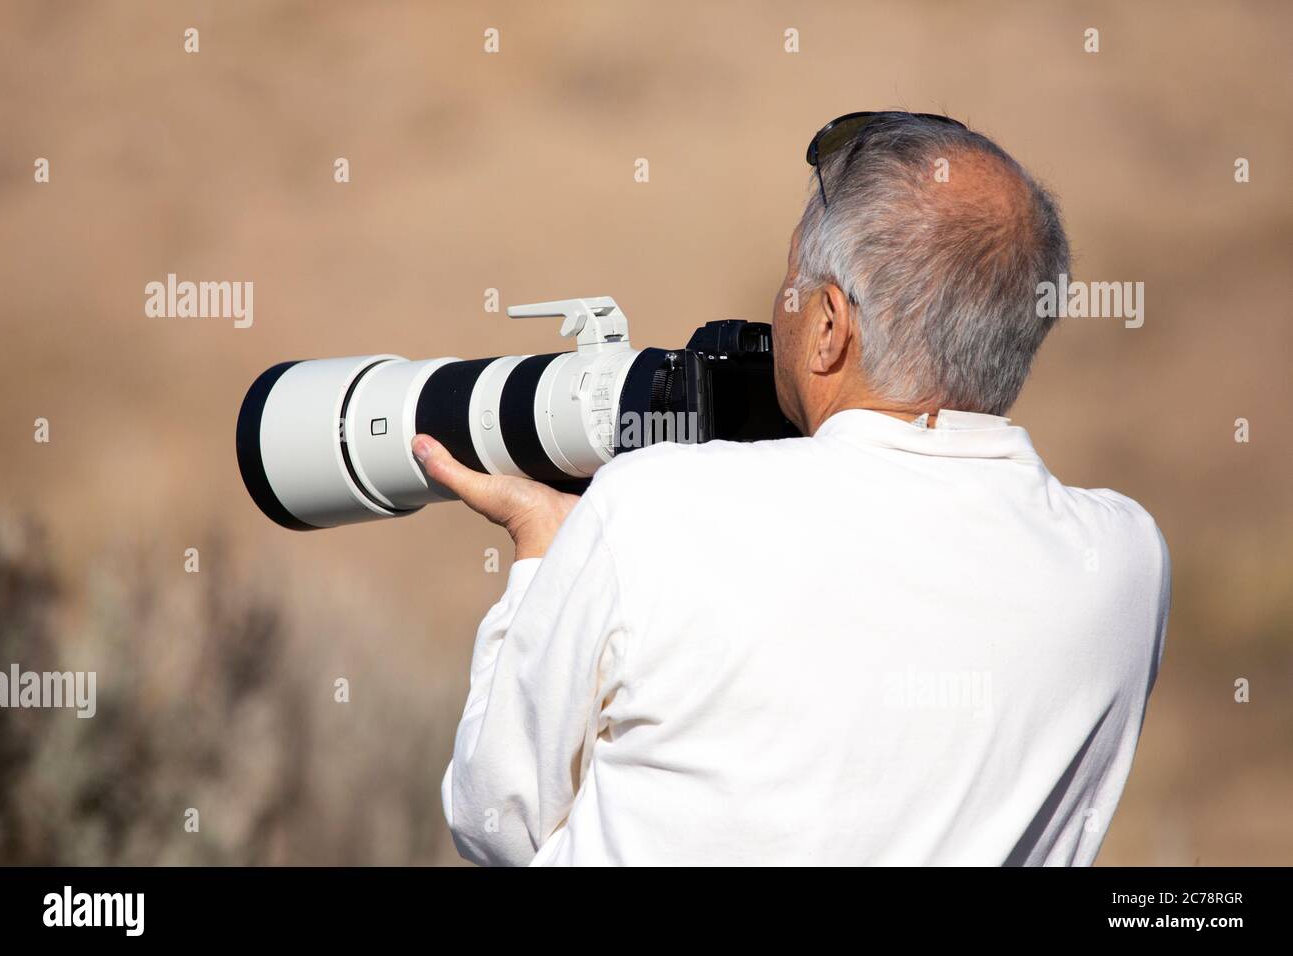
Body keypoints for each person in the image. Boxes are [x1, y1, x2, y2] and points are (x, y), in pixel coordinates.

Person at [414, 111, 1170, 866]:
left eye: (791, 292)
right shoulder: (1125, 566)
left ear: (831, 329)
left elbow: (494, 820)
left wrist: (545, 552)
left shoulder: (653, 512)